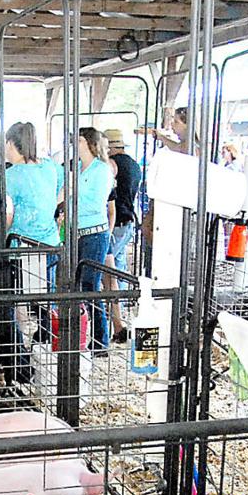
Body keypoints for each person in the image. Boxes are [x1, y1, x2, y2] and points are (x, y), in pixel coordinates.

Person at [0, 121, 61, 290]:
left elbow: (6, 217)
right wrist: (50, 206)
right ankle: (49, 317)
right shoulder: (50, 166)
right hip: (49, 242)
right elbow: (67, 186)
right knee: (47, 295)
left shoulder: (9, 176)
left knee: (22, 297)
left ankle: (23, 318)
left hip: (21, 245)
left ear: (10, 143)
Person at [67, 127, 116, 352]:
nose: (74, 144)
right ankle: (82, 336)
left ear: (90, 143)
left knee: (90, 286)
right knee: (78, 286)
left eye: (78, 140)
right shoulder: (75, 168)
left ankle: (100, 341)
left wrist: (70, 204)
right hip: (77, 233)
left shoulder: (101, 170)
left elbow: (97, 204)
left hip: (95, 233)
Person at [105, 128, 142, 343]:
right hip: (128, 220)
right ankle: (120, 319)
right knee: (117, 274)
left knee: (109, 276)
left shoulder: (112, 166)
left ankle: (116, 323)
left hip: (114, 222)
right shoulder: (134, 165)